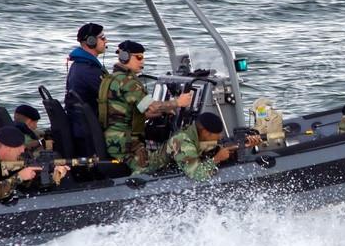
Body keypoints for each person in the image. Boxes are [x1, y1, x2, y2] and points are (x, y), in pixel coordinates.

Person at [98, 40, 192, 169]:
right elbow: (151, 106)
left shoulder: (111, 78)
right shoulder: (127, 82)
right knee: (178, 143)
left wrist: (163, 111)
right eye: (139, 57)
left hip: (115, 141)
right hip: (127, 146)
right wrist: (178, 102)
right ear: (125, 57)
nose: (142, 61)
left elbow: (132, 113)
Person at [141, 112, 261, 182]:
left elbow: (211, 147)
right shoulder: (183, 141)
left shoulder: (194, 133)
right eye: (216, 134)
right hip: (145, 172)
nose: (220, 136)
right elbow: (198, 175)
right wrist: (216, 159)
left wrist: (243, 145)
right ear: (205, 132)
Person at [64, 22, 108, 155]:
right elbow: (112, 96)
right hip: (90, 132)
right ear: (91, 41)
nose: (106, 41)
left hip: (82, 129)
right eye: (102, 37)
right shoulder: (89, 71)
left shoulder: (79, 66)